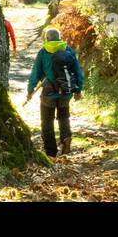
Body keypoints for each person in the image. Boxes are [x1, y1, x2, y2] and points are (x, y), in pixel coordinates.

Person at [24, 27, 84, 157]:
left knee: (47, 121)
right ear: (59, 38)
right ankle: (66, 138)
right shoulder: (68, 50)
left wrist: (30, 91)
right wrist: (78, 89)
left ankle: (51, 152)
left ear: (47, 38)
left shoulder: (43, 52)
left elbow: (35, 74)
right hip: (65, 92)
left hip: (48, 93)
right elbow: (77, 71)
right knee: (64, 118)